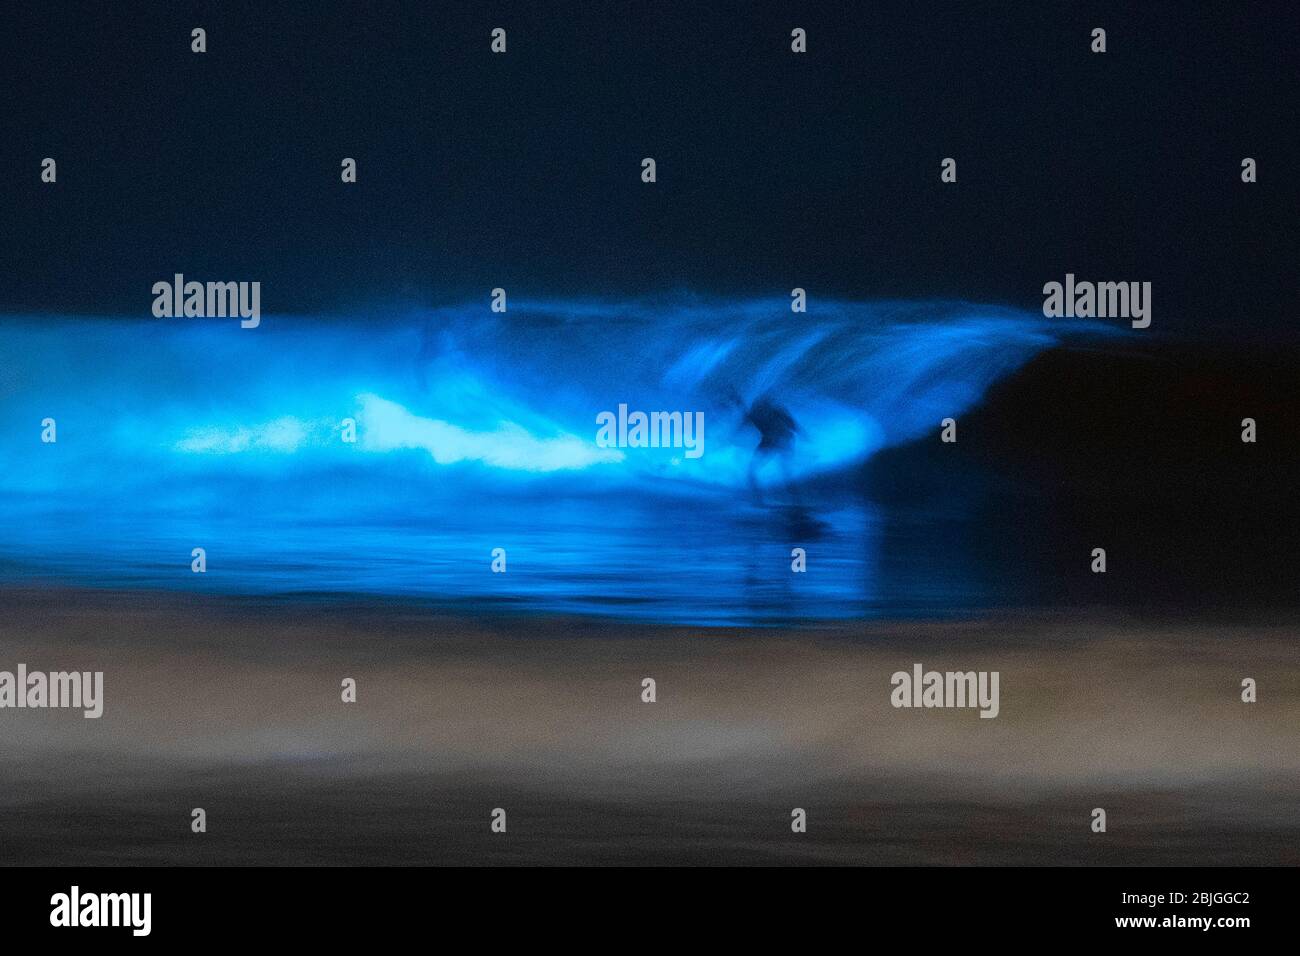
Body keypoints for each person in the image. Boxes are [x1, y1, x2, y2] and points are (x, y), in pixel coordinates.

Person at [727, 388, 804, 505]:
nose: (762, 408)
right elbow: (743, 416)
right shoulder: (755, 414)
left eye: (764, 405)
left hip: (782, 440)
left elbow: (793, 425)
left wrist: (804, 436)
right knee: (752, 473)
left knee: (785, 472)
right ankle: (760, 502)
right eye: (760, 405)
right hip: (771, 441)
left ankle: (795, 501)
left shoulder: (776, 411)